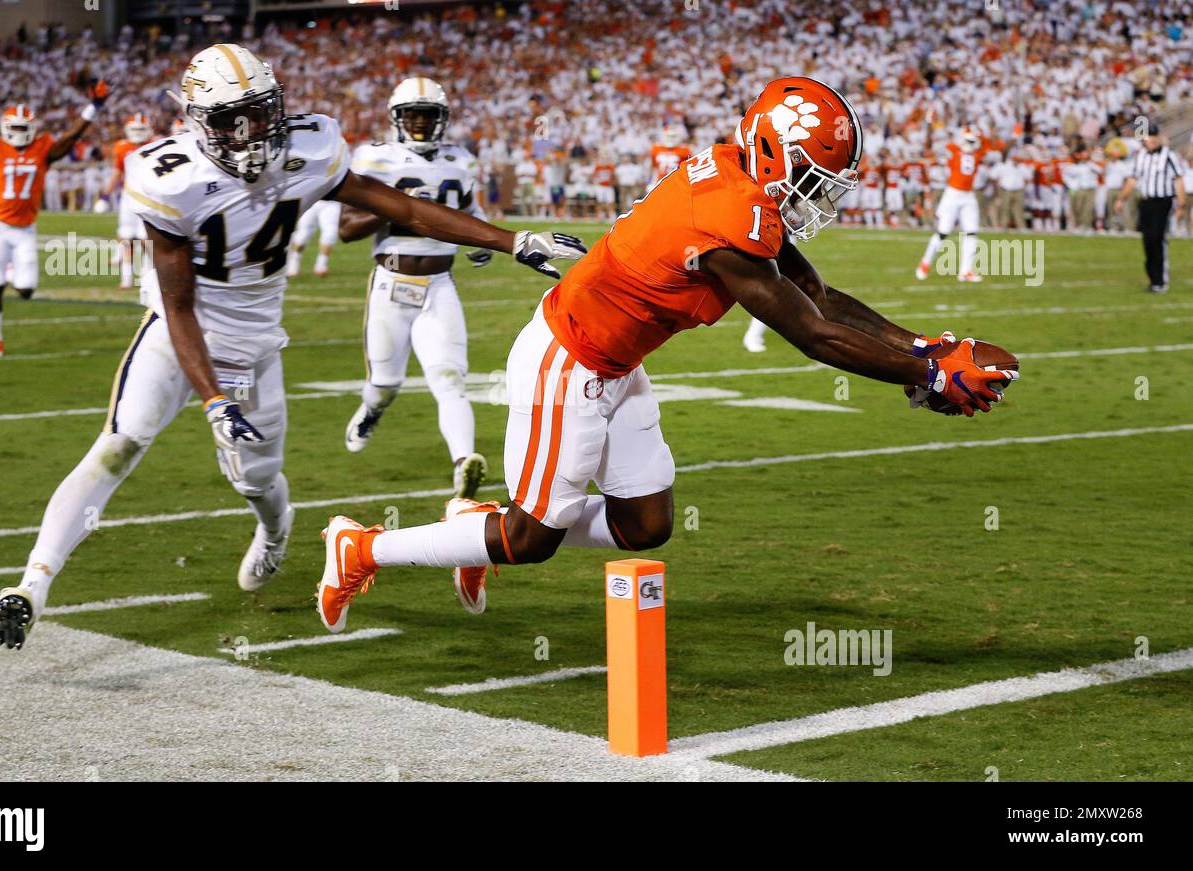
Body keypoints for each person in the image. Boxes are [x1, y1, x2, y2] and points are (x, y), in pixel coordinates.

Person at [315, 77, 1017, 633]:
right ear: (774, 154)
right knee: (531, 540)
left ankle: (474, 527)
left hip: (616, 363)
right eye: (811, 177)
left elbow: (815, 295)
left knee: (645, 525)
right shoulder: (728, 219)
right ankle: (364, 546)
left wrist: (920, 346)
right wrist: (923, 373)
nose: (818, 195)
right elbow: (811, 334)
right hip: (571, 359)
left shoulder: (736, 178)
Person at [0, 45, 585, 650]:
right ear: (198, 121)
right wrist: (212, 400)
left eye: (257, 113)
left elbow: (402, 207)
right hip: (179, 341)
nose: (248, 134)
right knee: (119, 445)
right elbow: (178, 307)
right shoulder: (171, 178)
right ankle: (32, 585)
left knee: (258, 480)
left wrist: (512, 239)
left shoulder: (308, 150)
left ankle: (274, 535)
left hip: (255, 349)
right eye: (229, 120)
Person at [336, 77, 494, 498]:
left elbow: (471, 209)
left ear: (442, 119)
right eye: (413, 114)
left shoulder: (461, 160)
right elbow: (346, 228)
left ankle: (464, 462)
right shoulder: (373, 157)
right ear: (397, 118)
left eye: (429, 114)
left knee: (449, 379)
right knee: (386, 385)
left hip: (440, 283)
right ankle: (372, 409)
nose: (421, 122)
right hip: (391, 284)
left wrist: (481, 245)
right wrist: (397, 204)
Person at [0, 70, 105, 357]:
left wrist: (94, 107)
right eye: (17, 127)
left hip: (25, 229)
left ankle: (14, 273)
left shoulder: (42, 149)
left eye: (26, 127)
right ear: (5, 127)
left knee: (25, 290)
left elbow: (72, 136)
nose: (21, 133)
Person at [915, 124, 1008, 283]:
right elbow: (929, 146)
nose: (969, 145)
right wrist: (930, 124)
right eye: (967, 141)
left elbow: (1000, 148)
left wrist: (984, 135)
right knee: (943, 233)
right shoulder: (952, 149)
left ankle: (965, 270)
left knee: (971, 232)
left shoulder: (978, 152)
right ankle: (925, 262)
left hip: (968, 195)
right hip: (953, 194)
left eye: (972, 141)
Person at [1114, 123, 1187, 293]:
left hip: (1162, 202)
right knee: (1147, 241)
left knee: (1157, 238)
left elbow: (1178, 179)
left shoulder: (1169, 155)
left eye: (1155, 136)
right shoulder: (1141, 156)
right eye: (1149, 136)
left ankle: (1161, 280)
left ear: (1159, 137)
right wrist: (1120, 199)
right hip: (1146, 202)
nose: (1152, 139)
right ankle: (1153, 279)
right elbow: (1133, 179)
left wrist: (1181, 204)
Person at [96, 113, 154, 289]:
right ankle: (127, 279)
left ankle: (147, 275)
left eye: (140, 129)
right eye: (134, 129)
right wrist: (105, 195)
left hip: (149, 198)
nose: (137, 133)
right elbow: (117, 173)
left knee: (147, 240)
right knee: (126, 239)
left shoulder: (155, 145)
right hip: (128, 197)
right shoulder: (122, 147)